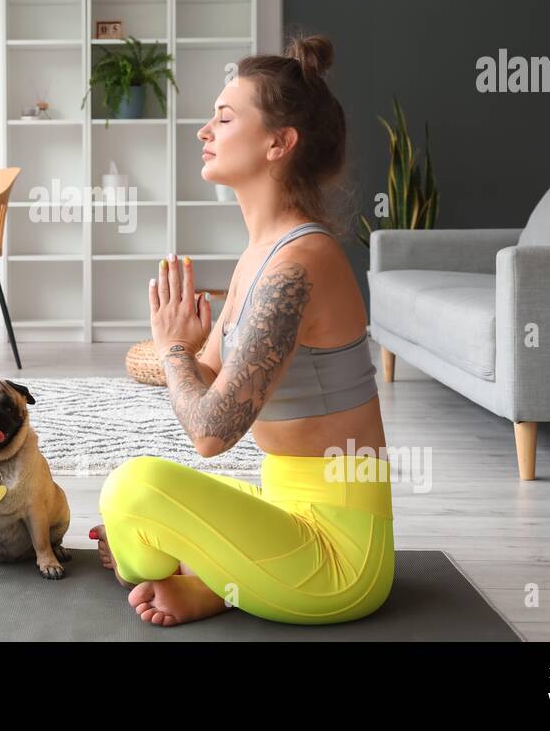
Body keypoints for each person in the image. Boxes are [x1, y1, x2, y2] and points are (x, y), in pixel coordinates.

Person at [91, 31, 394, 627]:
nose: (204, 132)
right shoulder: (259, 255)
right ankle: (216, 580)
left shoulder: (298, 265)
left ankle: (199, 575)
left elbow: (210, 431)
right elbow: (204, 377)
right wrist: (178, 349)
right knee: (137, 494)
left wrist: (172, 347)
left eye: (224, 118)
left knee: (134, 490)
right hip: (282, 508)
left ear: (279, 142)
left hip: (338, 557)